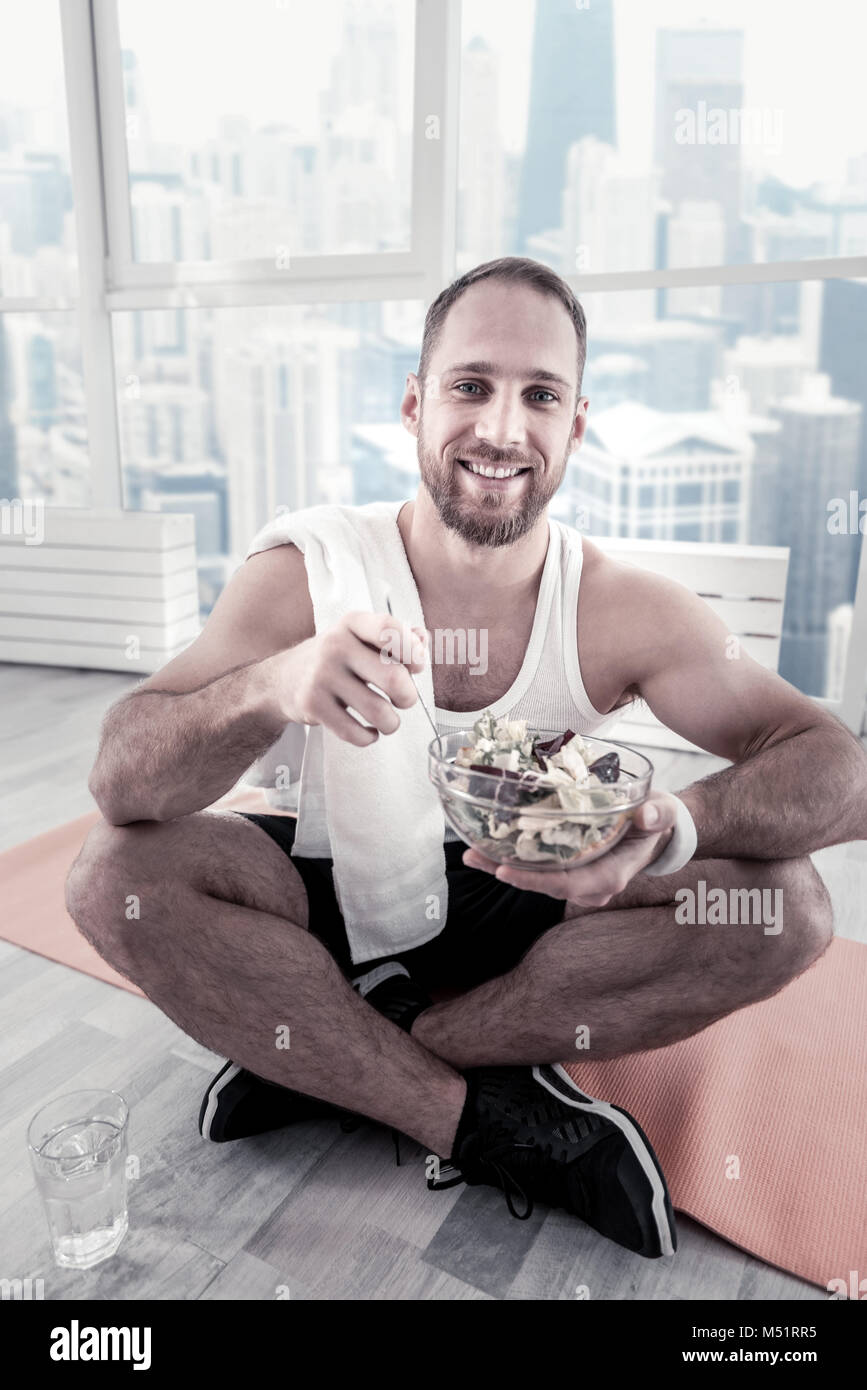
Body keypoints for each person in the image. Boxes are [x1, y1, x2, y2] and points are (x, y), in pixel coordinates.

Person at [66, 257, 858, 1262]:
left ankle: (324, 1055)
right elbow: (120, 780)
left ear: (576, 426)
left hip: (527, 905)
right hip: (328, 891)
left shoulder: (623, 606)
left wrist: (676, 827)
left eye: (540, 396)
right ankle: (474, 1120)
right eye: (470, 385)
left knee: (791, 909)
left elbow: (843, 771)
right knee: (111, 875)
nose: (500, 429)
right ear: (414, 402)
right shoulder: (306, 572)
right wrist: (273, 683)